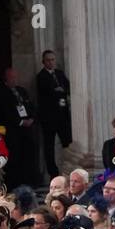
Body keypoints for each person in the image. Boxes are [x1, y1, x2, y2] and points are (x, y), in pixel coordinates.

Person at [35, 50, 71, 179]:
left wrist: (61, 90)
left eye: (52, 59)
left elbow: (67, 87)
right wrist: (58, 91)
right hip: (49, 118)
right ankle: (53, 173)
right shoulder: (41, 76)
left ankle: (69, 169)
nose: (51, 62)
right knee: (49, 146)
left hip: (63, 116)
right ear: (43, 62)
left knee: (68, 142)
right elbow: (49, 92)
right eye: (48, 60)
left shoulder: (60, 74)